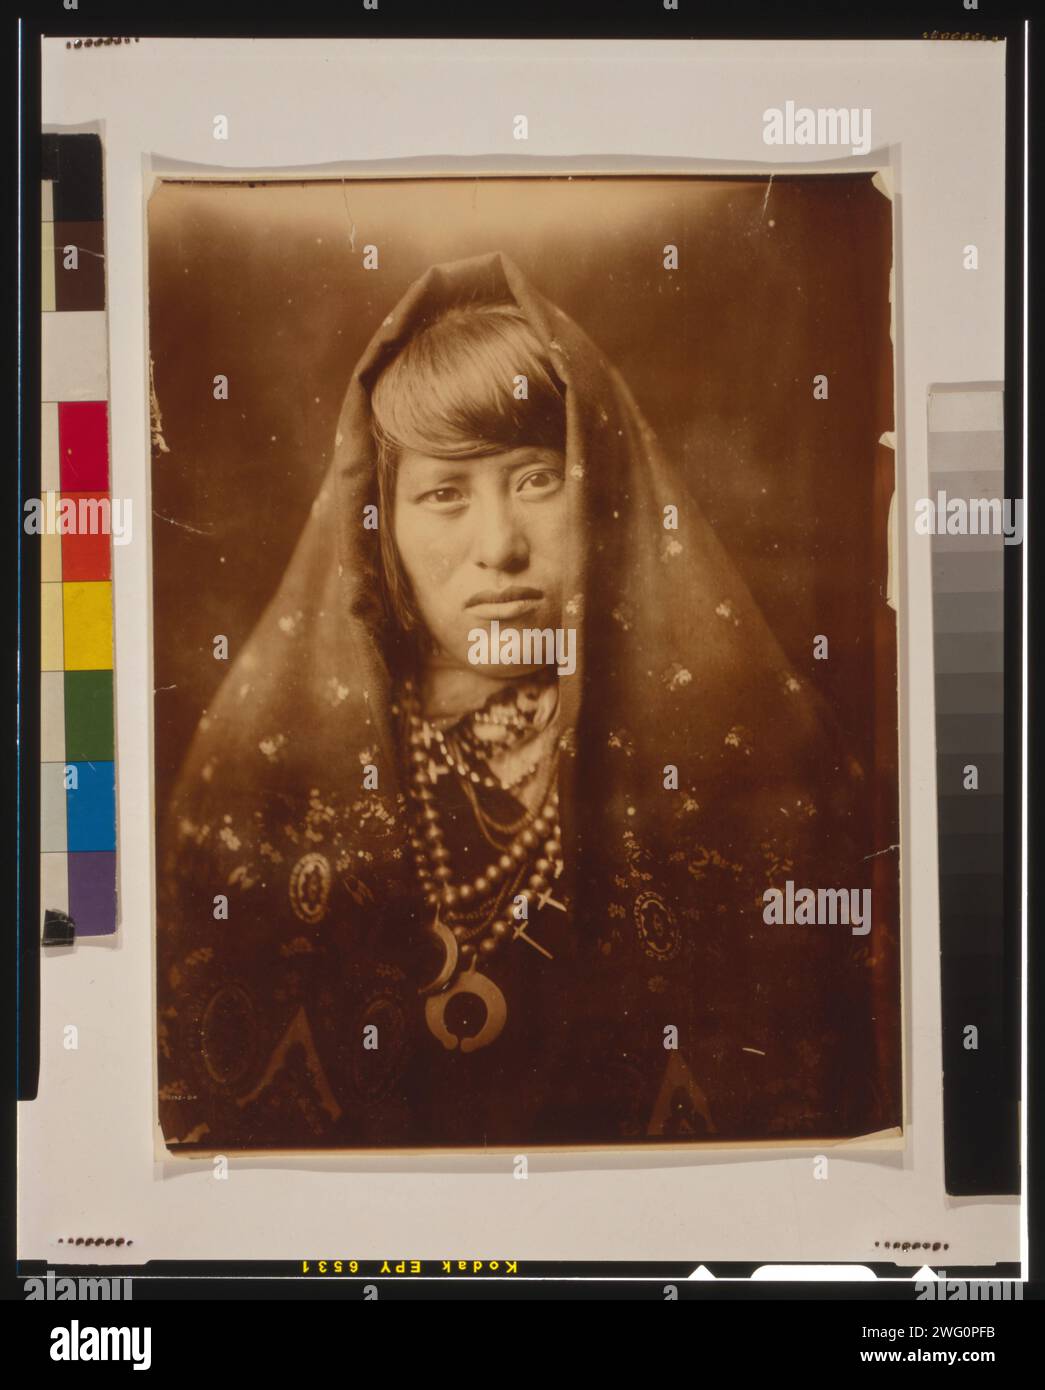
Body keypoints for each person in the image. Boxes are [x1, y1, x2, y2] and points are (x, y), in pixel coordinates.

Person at [157, 251, 897, 1151]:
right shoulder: (249, 778)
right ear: (378, 528)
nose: (499, 546)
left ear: (603, 489)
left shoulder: (766, 764)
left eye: (536, 479)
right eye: (442, 494)